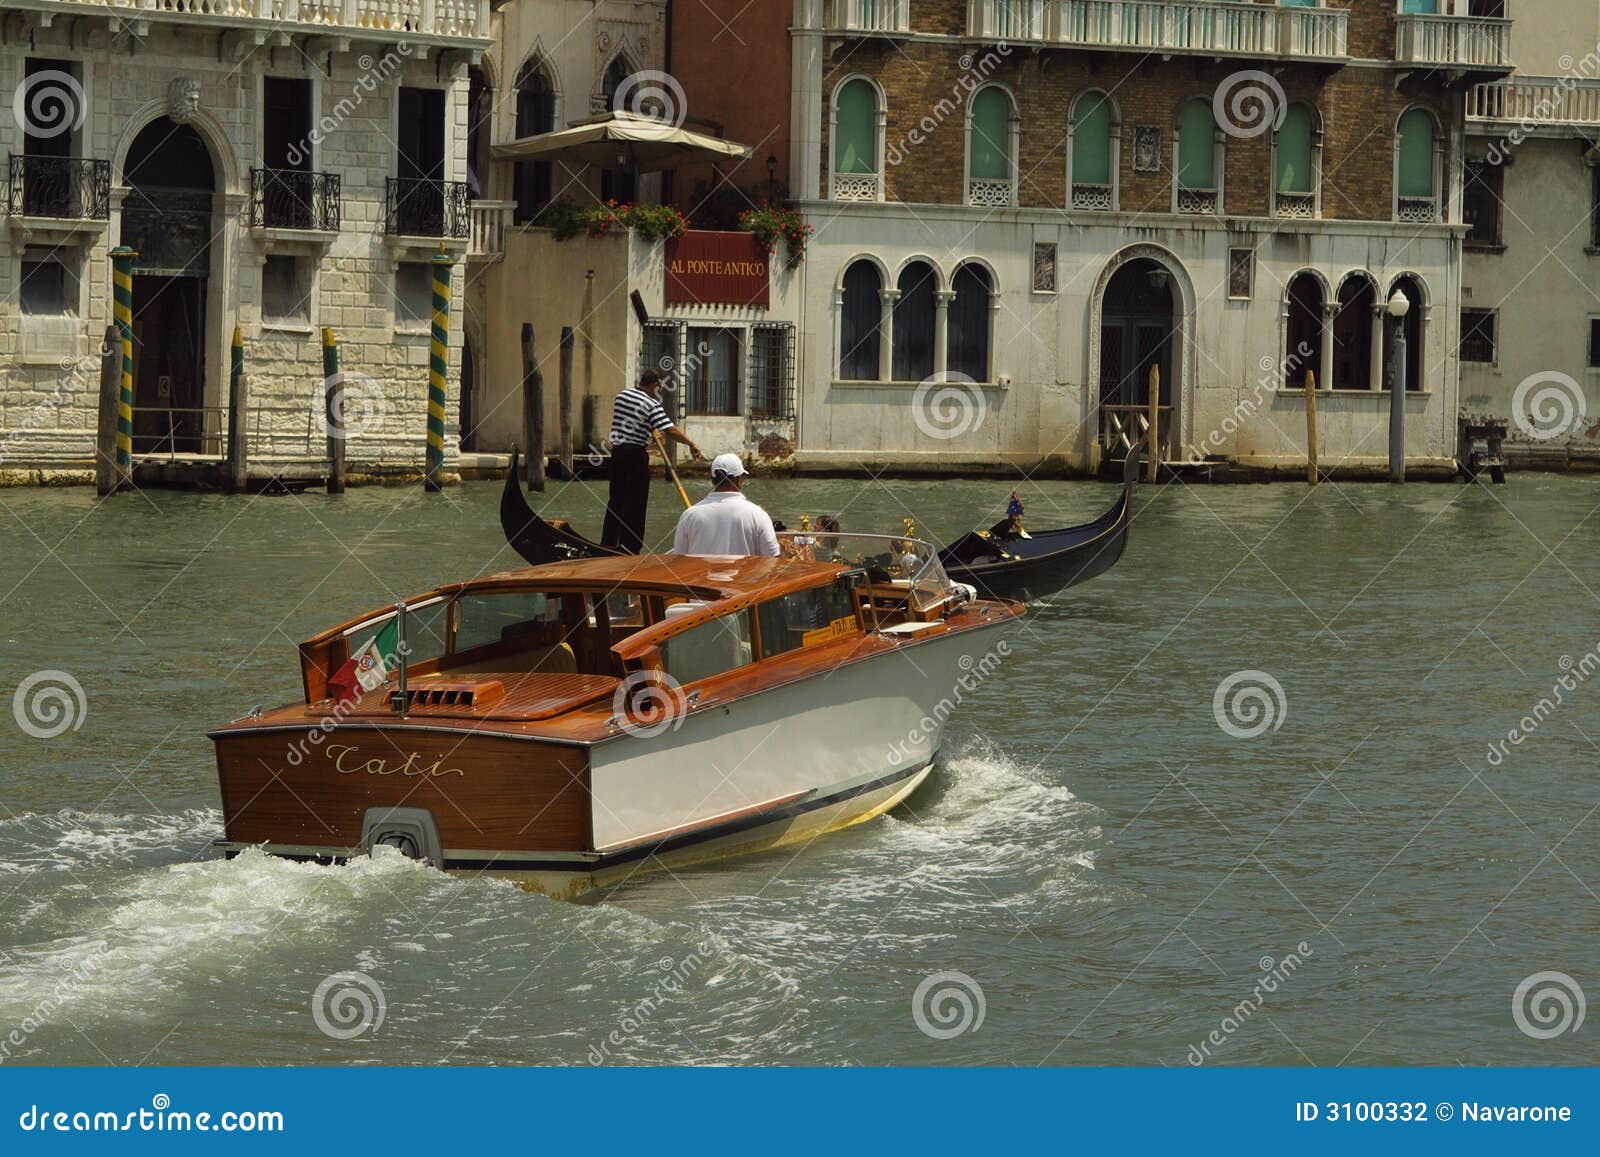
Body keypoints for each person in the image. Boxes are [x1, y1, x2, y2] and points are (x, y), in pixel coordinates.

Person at [602, 369, 702, 553]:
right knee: (636, 505)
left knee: (616, 500)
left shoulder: (622, 396)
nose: (659, 390)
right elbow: (671, 430)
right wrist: (691, 444)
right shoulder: (651, 404)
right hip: (635, 457)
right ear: (654, 384)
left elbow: (631, 419)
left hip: (617, 455)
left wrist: (649, 428)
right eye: (659, 386)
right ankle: (630, 548)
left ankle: (608, 543)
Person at [673, 453, 780, 558]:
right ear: (740, 479)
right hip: (743, 576)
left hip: (700, 575)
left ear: (712, 480)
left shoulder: (689, 515)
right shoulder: (758, 514)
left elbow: (679, 558)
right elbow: (772, 558)